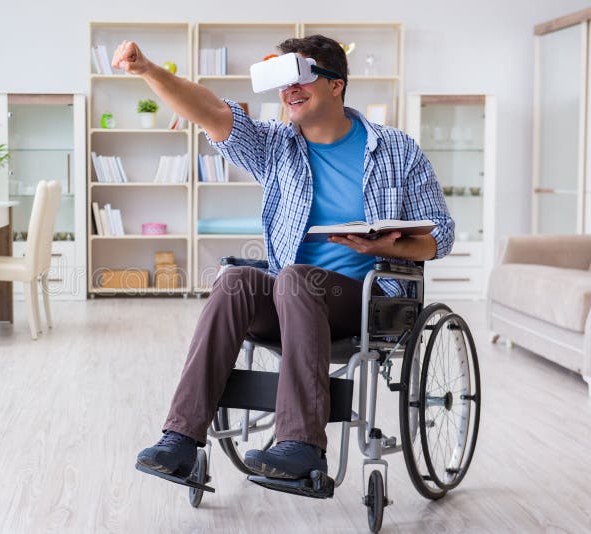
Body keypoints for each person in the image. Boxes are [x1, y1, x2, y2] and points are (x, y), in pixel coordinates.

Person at [117, 34, 454, 482]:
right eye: (283, 83)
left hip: (367, 302)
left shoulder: (396, 149)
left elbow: (442, 235)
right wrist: (148, 70)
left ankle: (302, 446)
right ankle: (180, 438)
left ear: (336, 85)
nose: (290, 92)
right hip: (289, 298)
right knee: (236, 279)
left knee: (296, 278)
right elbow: (213, 113)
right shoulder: (276, 146)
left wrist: (386, 246)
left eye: (302, 79)